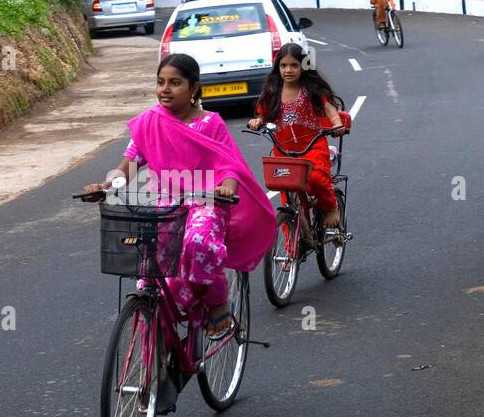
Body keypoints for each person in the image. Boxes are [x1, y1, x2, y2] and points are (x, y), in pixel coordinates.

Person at [83, 53, 274, 341]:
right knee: (152, 277)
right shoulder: (150, 122)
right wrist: (106, 186)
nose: (165, 89)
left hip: (206, 202)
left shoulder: (211, 123)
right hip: (165, 206)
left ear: (194, 88)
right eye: (160, 82)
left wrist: (227, 189)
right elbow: (128, 166)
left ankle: (217, 300)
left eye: (175, 83)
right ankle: (157, 348)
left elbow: (229, 165)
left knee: (196, 243)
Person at [247, 43, 347, 243]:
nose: (288, 70)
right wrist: (257, 121)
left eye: (294, 65)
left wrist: (337, 123)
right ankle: (290, 244)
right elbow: (261, 114)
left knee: (317, 178)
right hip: (284, 150)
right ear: (278, 67)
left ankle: (330, 208)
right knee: (285, 191)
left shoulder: (312, 90)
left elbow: (328, 108)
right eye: (283, 66)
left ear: (303, 67)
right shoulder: (272, 92)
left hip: (313, 146)